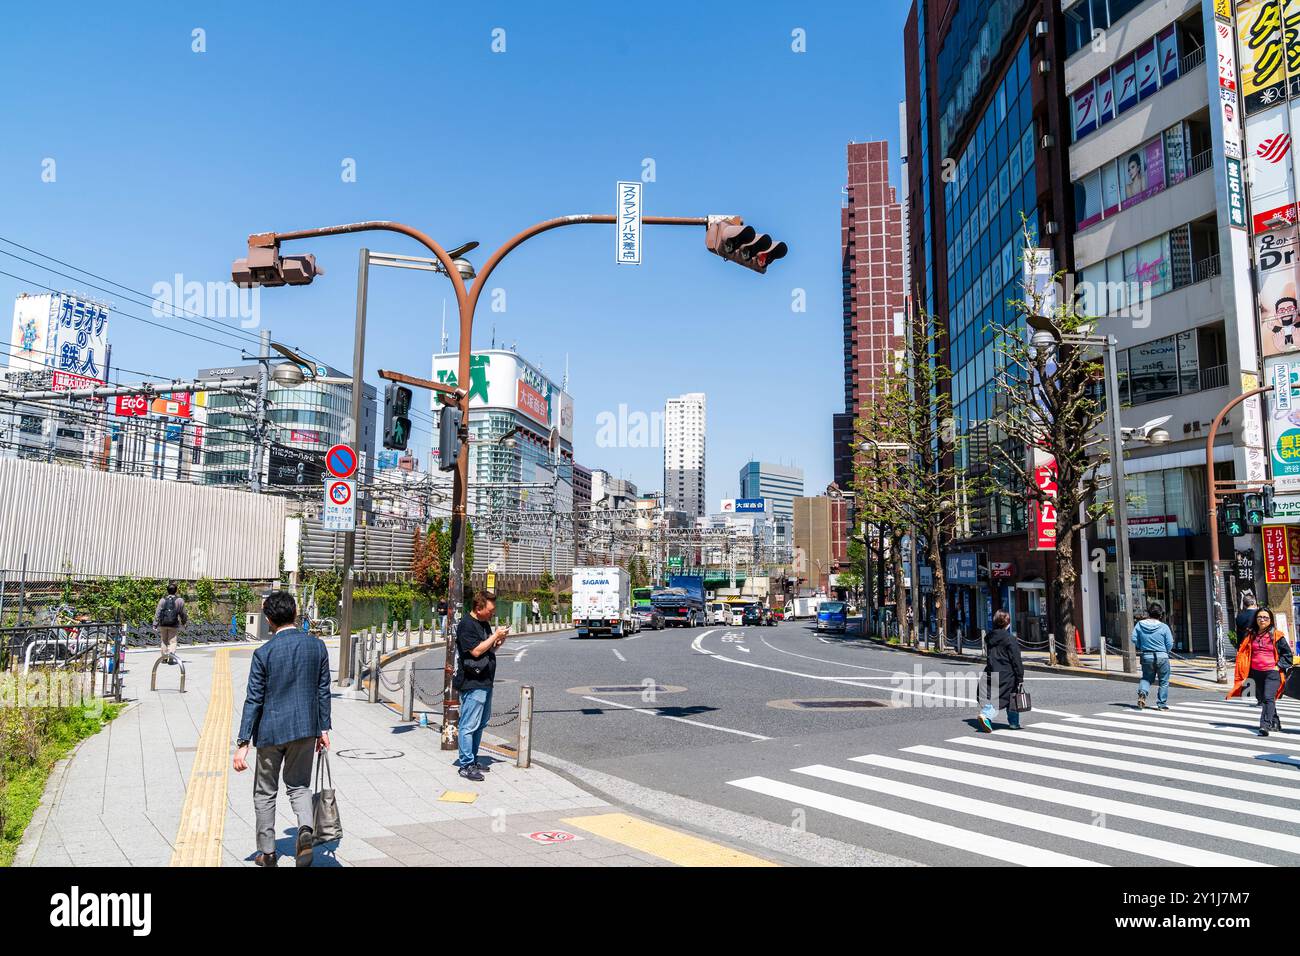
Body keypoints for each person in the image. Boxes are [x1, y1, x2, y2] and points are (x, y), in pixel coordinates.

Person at [233, 591, 331, 867]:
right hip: (305, 729)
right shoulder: (317, 647)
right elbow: (323, 691)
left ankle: (267, 852)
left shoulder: (263, 653)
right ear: (295, 613)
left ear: (268, 619)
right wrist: (323, 729)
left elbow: (254, 698)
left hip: (270, 731)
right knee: (299, 786)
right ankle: (305, 830)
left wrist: (243, 742)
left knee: (265, 791)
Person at [453, 591, 509, 781]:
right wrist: (494, 637)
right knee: (468, 725)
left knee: (480, 723)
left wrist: (499, 641)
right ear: (479, 608)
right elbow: (476, 652)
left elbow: (487, 649)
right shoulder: (466, 625)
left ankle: (473, 759)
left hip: (485, 680)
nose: (492, 614)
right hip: (472, 681)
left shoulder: (483, 623)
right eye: (490, 610)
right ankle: (466, 764)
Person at [1228, 607, 1294, 737]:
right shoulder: (1251, 634)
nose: (1262, 620)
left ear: (1270, 620)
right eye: (1260, 617)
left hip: (1272, 673)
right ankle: (1275, 722)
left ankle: (1265, 725)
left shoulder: (1277, 635)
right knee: (1264, 697)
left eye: (1266, 617)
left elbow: (1288, 655)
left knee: (1268, 698)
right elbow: (1244, 650)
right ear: (1256, 619)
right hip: (1255, 673)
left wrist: (1278, 666)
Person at [978, 609, 1023, 732]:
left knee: (1003, 696)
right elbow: (1016, 660)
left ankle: (1014, 722)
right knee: (1006, 697)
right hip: (1007, 673)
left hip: (991, 671)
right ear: (1007, 623)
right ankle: (986, 715)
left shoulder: (989, 638)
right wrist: (1020, 677)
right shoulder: (1010, 639)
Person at [1134, 601, 1174, 711]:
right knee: (1164, 681)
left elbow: (1134, 639)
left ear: (1148, 613)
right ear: (1160, 615)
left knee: (1146, 678)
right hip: (1162, 656)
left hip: (1146, 655)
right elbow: (1170, 643)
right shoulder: (1164, 627)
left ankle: (1142, 694)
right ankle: (1161, 704)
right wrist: (1165, 651)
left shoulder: (1140, 624)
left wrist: (1142, 646)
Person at [154, 583, 188, 663]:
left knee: (164, 641)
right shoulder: (179, 600)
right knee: (173, 641)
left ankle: (164, 658)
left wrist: (155, 624)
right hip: (173, 624)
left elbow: (157, 612)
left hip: (163, 624)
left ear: (167, 590)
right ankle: (171, 657)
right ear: (176, 591)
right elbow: (183, 613)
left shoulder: (162, 600)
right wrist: (184, 622)